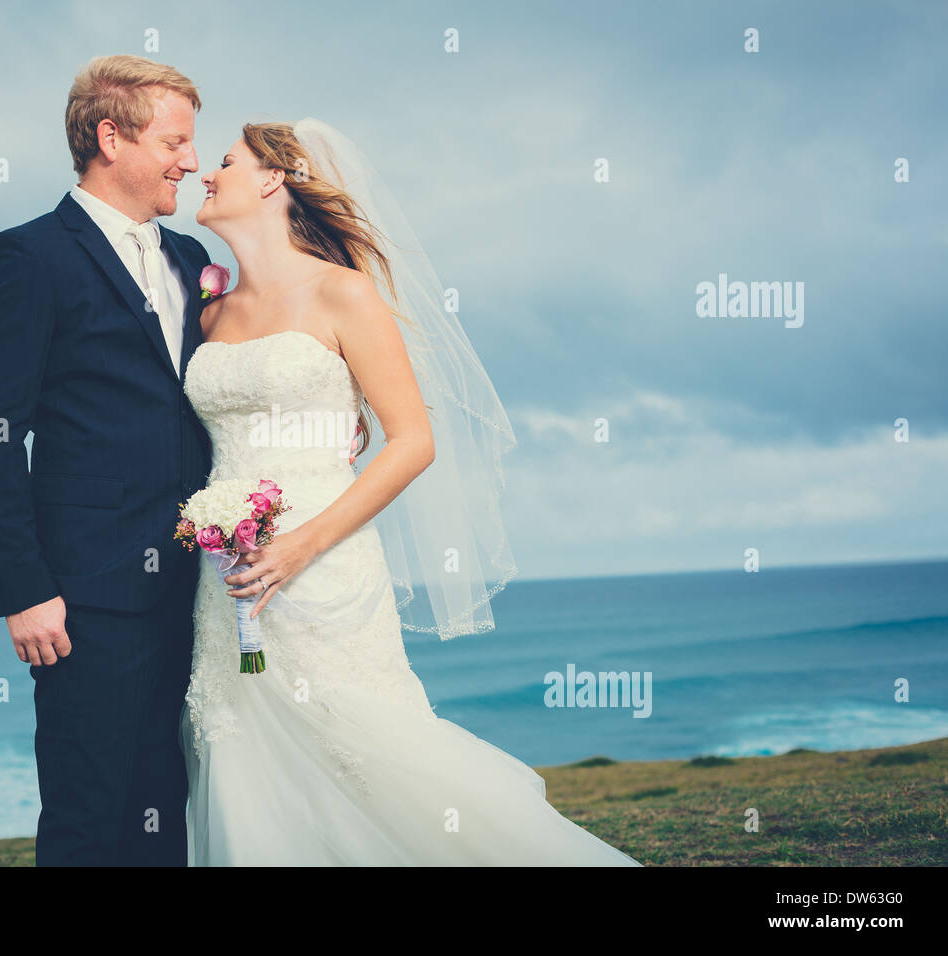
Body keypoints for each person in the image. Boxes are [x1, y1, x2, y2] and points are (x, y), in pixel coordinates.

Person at [180, 118, 641, 865]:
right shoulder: (208, 314)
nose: (205, 172)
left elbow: (414, 441)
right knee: (243, 750)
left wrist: (301, 545)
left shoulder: (343, 293)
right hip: (225, 575)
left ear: (273, 178)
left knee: (363, 747)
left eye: (225, 162)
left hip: (321, 564)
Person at [0, 54, 212, 865]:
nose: (193, 160)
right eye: (175, 141)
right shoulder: (29, 257)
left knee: (168, 805)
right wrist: (25, 590)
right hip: (86, 597)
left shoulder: (188, 262)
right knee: (90, 810)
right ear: (111, 136)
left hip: (195, 589)